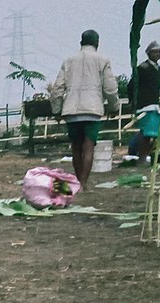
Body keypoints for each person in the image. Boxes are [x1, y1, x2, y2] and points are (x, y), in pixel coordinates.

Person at [49, 30, 120, 189]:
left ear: (81, 42)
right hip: (92, 109)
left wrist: (57, 110)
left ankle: (77, 181)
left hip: (72, 111)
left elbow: (57, 89)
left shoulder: (68, 61)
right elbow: (110, 88)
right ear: (97, 42)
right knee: (88, 147)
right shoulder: (103, 60)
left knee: (76, 147)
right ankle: (84, 183)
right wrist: (114, 107)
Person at [129, 42, 160, 163]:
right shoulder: (143, 68)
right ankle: (141, 157)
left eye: (159, 52)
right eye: (154, 52)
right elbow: (132, 84)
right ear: (148, 53)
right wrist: (132, 100)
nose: (157, 54)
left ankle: (145, 155)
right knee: (145, 133)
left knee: (153, 133)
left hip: (154, 104)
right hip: (144, 104)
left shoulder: (158, 69)